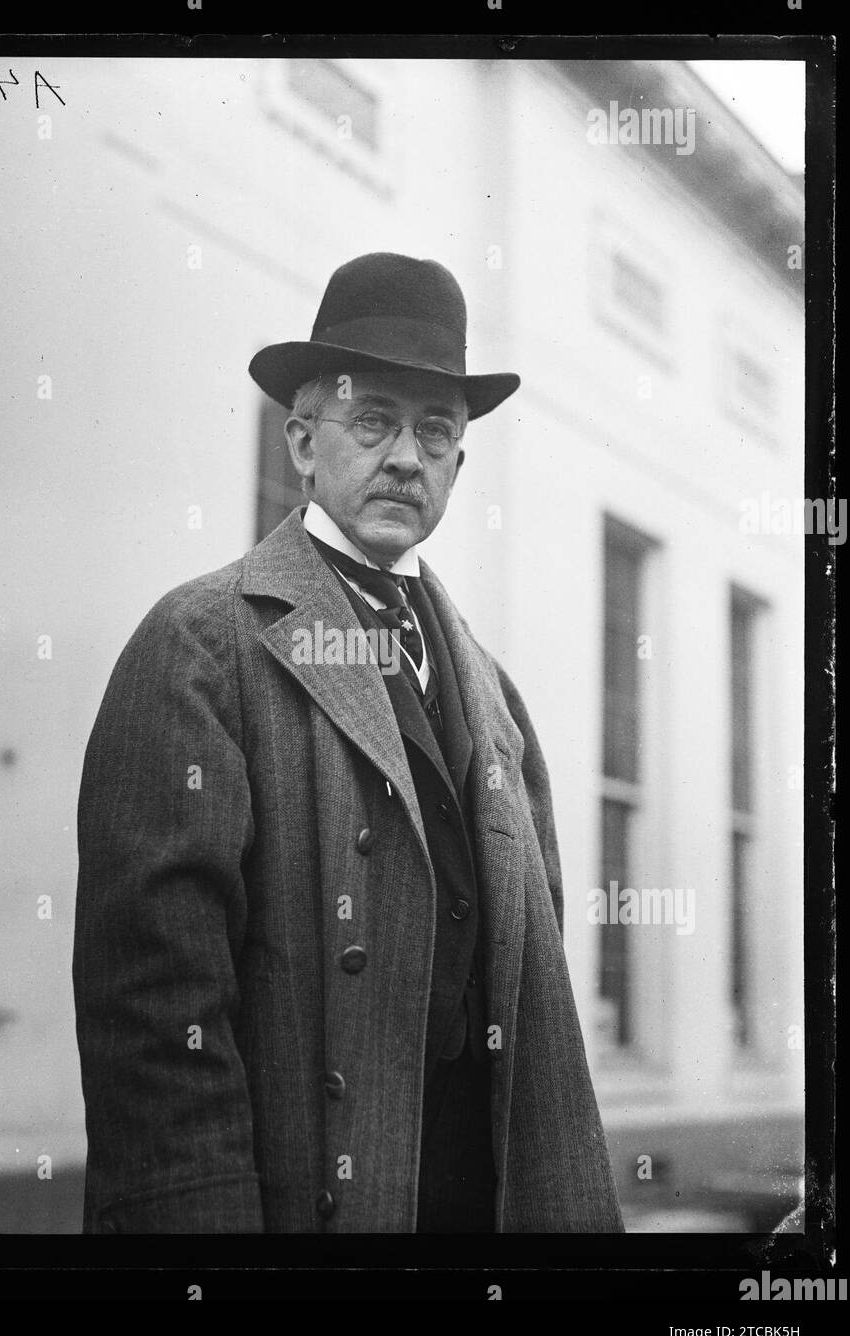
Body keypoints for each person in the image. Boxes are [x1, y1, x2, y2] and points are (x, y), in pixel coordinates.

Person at [73, 251, 624, 1234]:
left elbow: (537, 1016)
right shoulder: (201, 647)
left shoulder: (493, 696)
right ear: (300, 439)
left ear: (458, 462)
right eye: (371, 419)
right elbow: (156, 1018)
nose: (405, 455)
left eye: (434, 430)